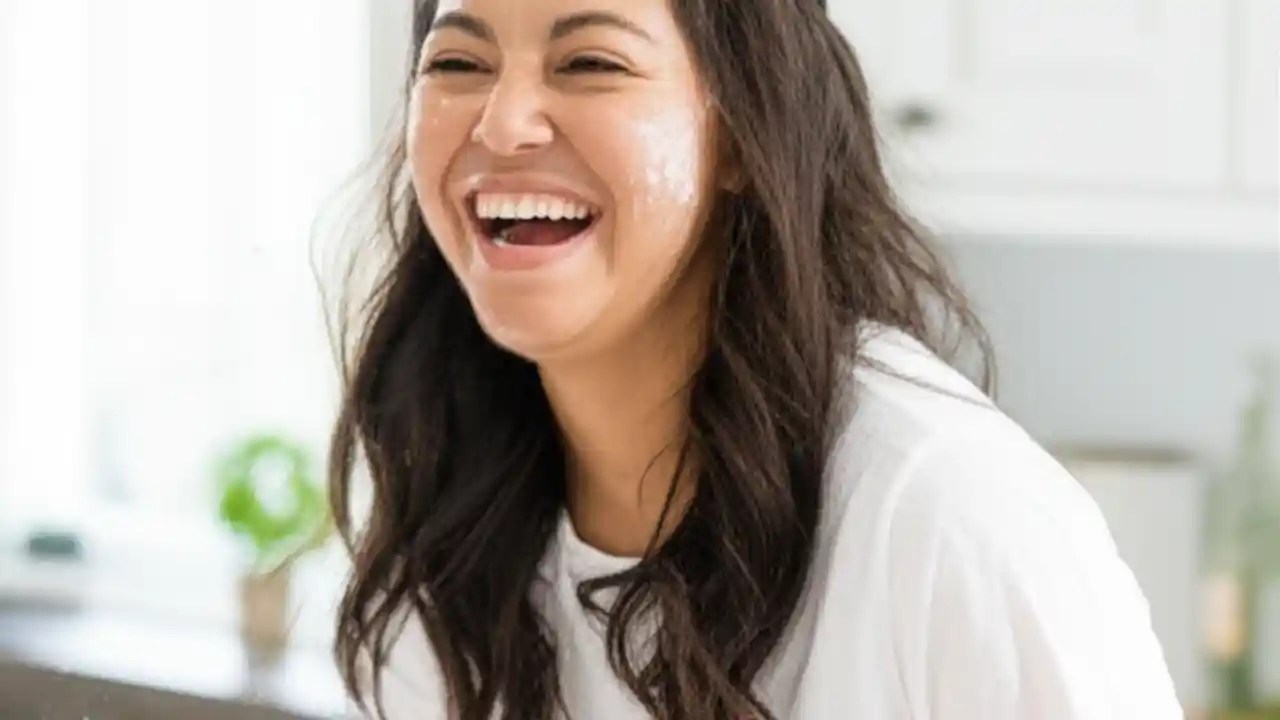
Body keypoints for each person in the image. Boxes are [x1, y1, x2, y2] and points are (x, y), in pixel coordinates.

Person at [326, 0, 1183, 718]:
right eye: (457, 65)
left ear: (740, 131)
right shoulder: (450, 517)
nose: (502, 120)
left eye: (591, 63)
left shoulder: (947, 512)